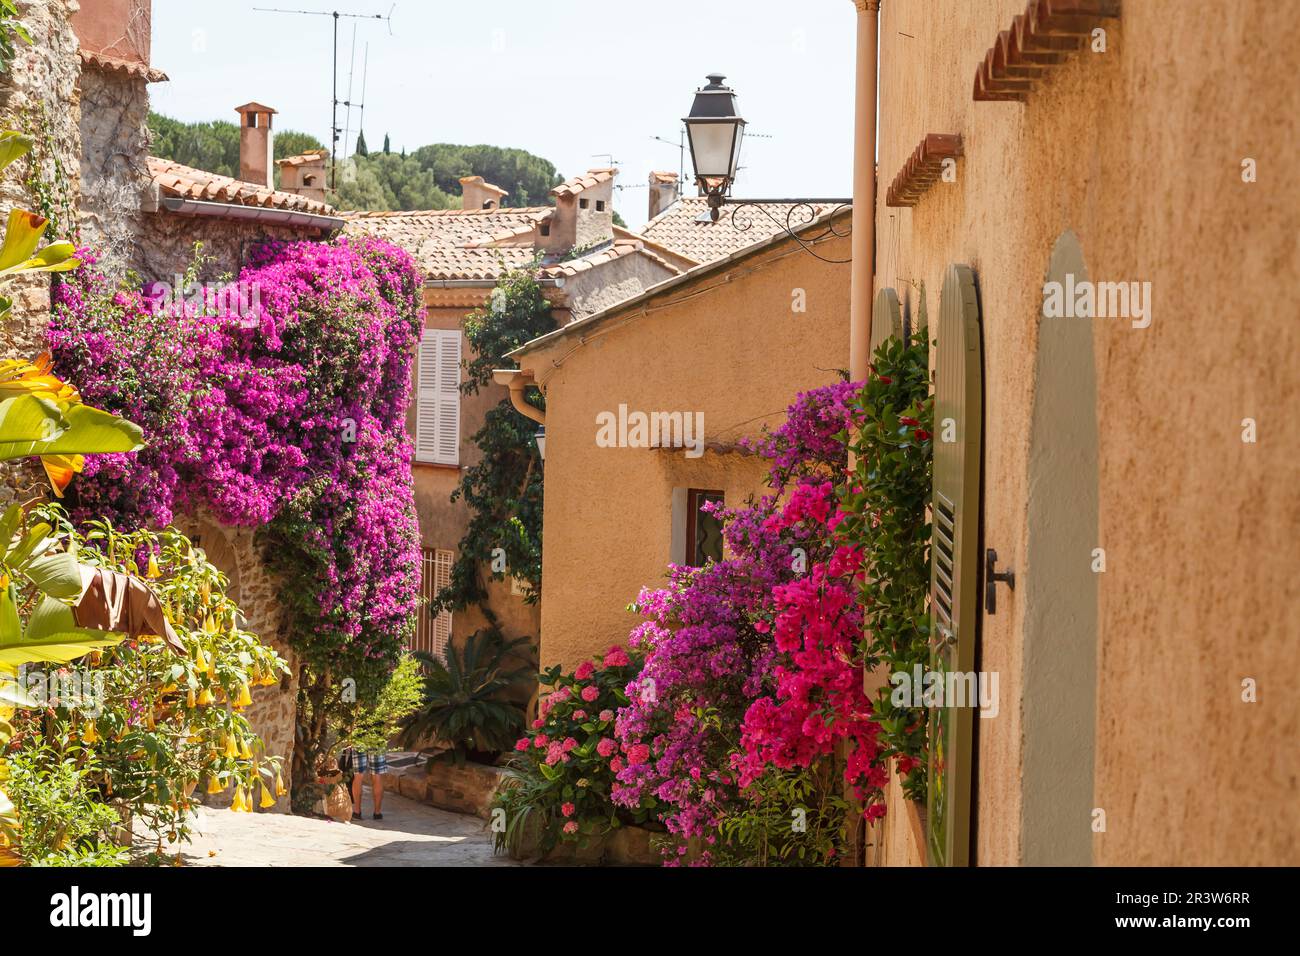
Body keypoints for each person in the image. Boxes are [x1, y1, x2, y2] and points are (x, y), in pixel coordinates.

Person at [349, 749, 387, 821]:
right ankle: (377, 813)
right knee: (377, 775)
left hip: (359, 740)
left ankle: (357, 812)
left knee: (358, 775)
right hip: (377, 740)